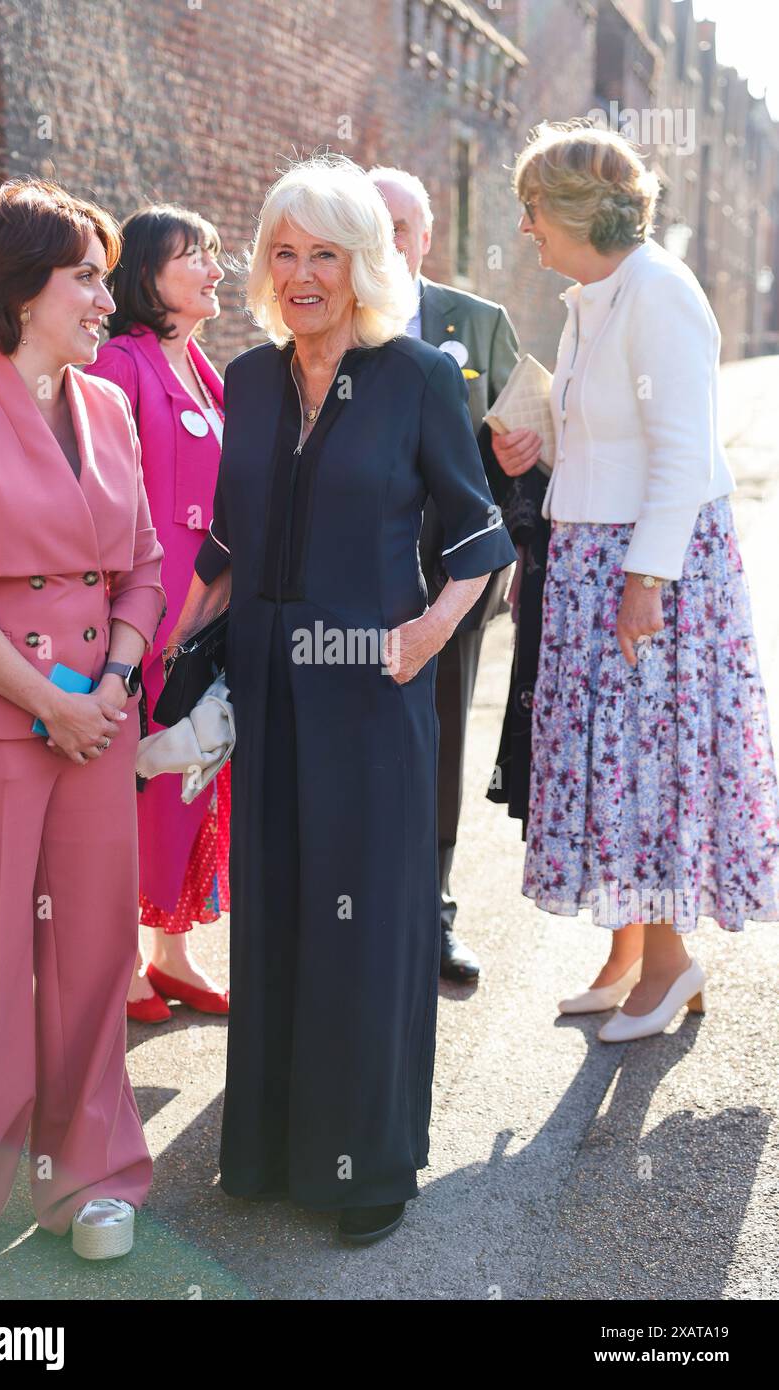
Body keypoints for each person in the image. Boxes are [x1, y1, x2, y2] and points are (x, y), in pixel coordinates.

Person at [166, 154, 515, 1244]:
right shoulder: (252, 379)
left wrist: (422, 636)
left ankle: (364, 1167)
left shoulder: (413, 375)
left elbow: (477, 540)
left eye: (325, 252)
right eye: (284, 252)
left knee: (362, 924)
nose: (303, 272)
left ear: (363, 263)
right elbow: (224, 545)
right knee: (276, 907)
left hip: (373, 691)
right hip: (270, 692)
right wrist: (162, 658)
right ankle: (270, 1146)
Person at [0, 179, 166, 1277]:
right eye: (89, 278)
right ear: (19, 289)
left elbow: (148, 565)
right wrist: (51, 701)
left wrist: (106, 682)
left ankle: (94, 1174)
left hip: (96, 725)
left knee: (92, 950)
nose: (108, 300)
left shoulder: (108, 404)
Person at [495, 121, 779, 1041]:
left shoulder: (659, 293)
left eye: (535, 212)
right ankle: (627, 955)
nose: (528, 229)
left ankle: (668, 964)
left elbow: (682, 451)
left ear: (578, 212)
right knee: (613, 758)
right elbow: (609, 433)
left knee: (648, 763)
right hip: (594, 557)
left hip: (650, 566)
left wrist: (645, 579)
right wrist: (541, 441)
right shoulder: (597, 294)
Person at [369, 166, 519, 982]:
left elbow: (523, 445)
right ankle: (353, 911)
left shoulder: (479, 324)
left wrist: (524, 462)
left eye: (403, 225)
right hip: (351, 574)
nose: (390, 239)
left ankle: (433, 911)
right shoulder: (328, 322)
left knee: (441, 737)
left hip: (453, 577)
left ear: (428, 236)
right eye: (374, 222)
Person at [86, 204, 231, 1023]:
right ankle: (118, 964)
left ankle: (170, 950)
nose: (214, 270)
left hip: (209, 615)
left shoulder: (207, 369)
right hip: (146, 616)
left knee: (193, 774)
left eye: (213, 255)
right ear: (147, 275)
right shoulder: (119, 363)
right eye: (194, 258)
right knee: (137, 780)